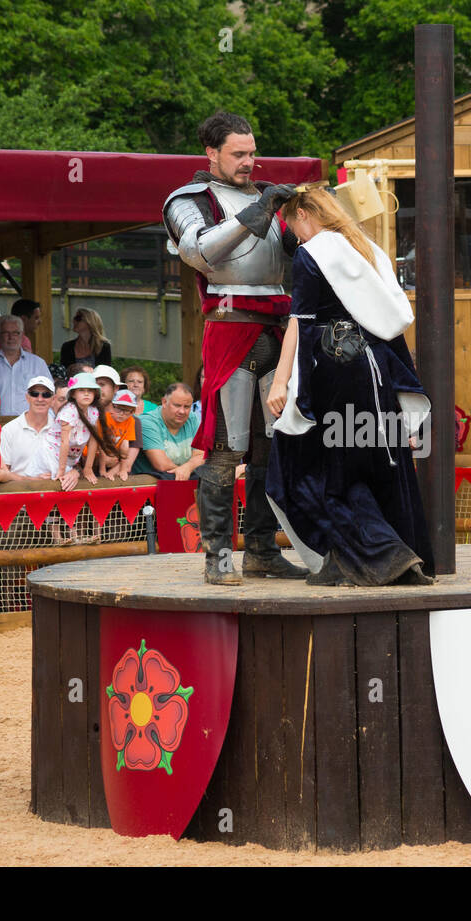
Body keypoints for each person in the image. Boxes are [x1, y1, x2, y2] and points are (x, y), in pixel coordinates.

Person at [265, 185, 435, 586]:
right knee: (380, 462)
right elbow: (391, 328)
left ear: (304, 215)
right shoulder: (369, 250)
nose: (296, 237)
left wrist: (283, 382)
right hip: (377, 371)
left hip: (334, 370)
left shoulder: (313, 254)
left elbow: (301, 323)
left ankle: (377, 555)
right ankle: (401, 553)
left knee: (313, 466)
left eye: (293, 227)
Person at [163, 109, 304, 584]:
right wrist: (260, 211)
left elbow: (295, 254)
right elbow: (200, 251)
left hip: (276, 331)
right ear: (212, 153)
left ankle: (262, 551)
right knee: (226, 450)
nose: (249, 162)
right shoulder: (189, 199)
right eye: (238, 154)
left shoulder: (264, 197)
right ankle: (218, 560)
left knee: (269, 451)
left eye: (252, 152)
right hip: (229, 330)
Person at [39, 372, 105, 490]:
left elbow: (94, 440)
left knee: (67, 485)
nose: (86, 393)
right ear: (73, 394)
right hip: (50, 454)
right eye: (81, 390)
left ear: (95, 394)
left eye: (90, 390)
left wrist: (88, 468)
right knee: (54, 484)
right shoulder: (69, 411)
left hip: (69, 458)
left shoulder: (93, 411)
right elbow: (65, 442)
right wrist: (61, 470)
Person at [0, 315, 51, 416]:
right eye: (6, 333)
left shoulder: (38, 364)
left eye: (16, 333)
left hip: (31, 424)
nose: (11, 337)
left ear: (22, 335)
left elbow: (50, 395)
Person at [134, 382, 204, 481]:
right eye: (177, 405)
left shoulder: (193, 418)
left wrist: (187, 468)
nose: (182, 411)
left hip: (179, 484)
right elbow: (161, 464)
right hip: (145, 489)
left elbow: (201, 454)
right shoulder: (147, 422)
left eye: (187, 407)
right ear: (164, 402)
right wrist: (189, 469)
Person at [0, 375, 56, 480]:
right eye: (34, 394)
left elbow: (72, 465)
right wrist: (34, 481)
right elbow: (3, 473)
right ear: (27, 397)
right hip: (18, 493)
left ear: (53, 399)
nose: (40, 399)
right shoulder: (9, 430)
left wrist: (74, 472)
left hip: (54, 492)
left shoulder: (59, 429)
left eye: (46, 395)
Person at [93, 387, 139, 479]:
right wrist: (102, 470)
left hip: (114, 454)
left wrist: (123, 469)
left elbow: (125, 444)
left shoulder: (131, 421)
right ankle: (101, 471)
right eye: (118, 409)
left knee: (125, 444)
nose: (122, 413)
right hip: (97, 452)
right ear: (112, 406)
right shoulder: (104, 418)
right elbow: (101, 444)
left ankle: (122, 470)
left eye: (126, 410)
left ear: (133, 412)